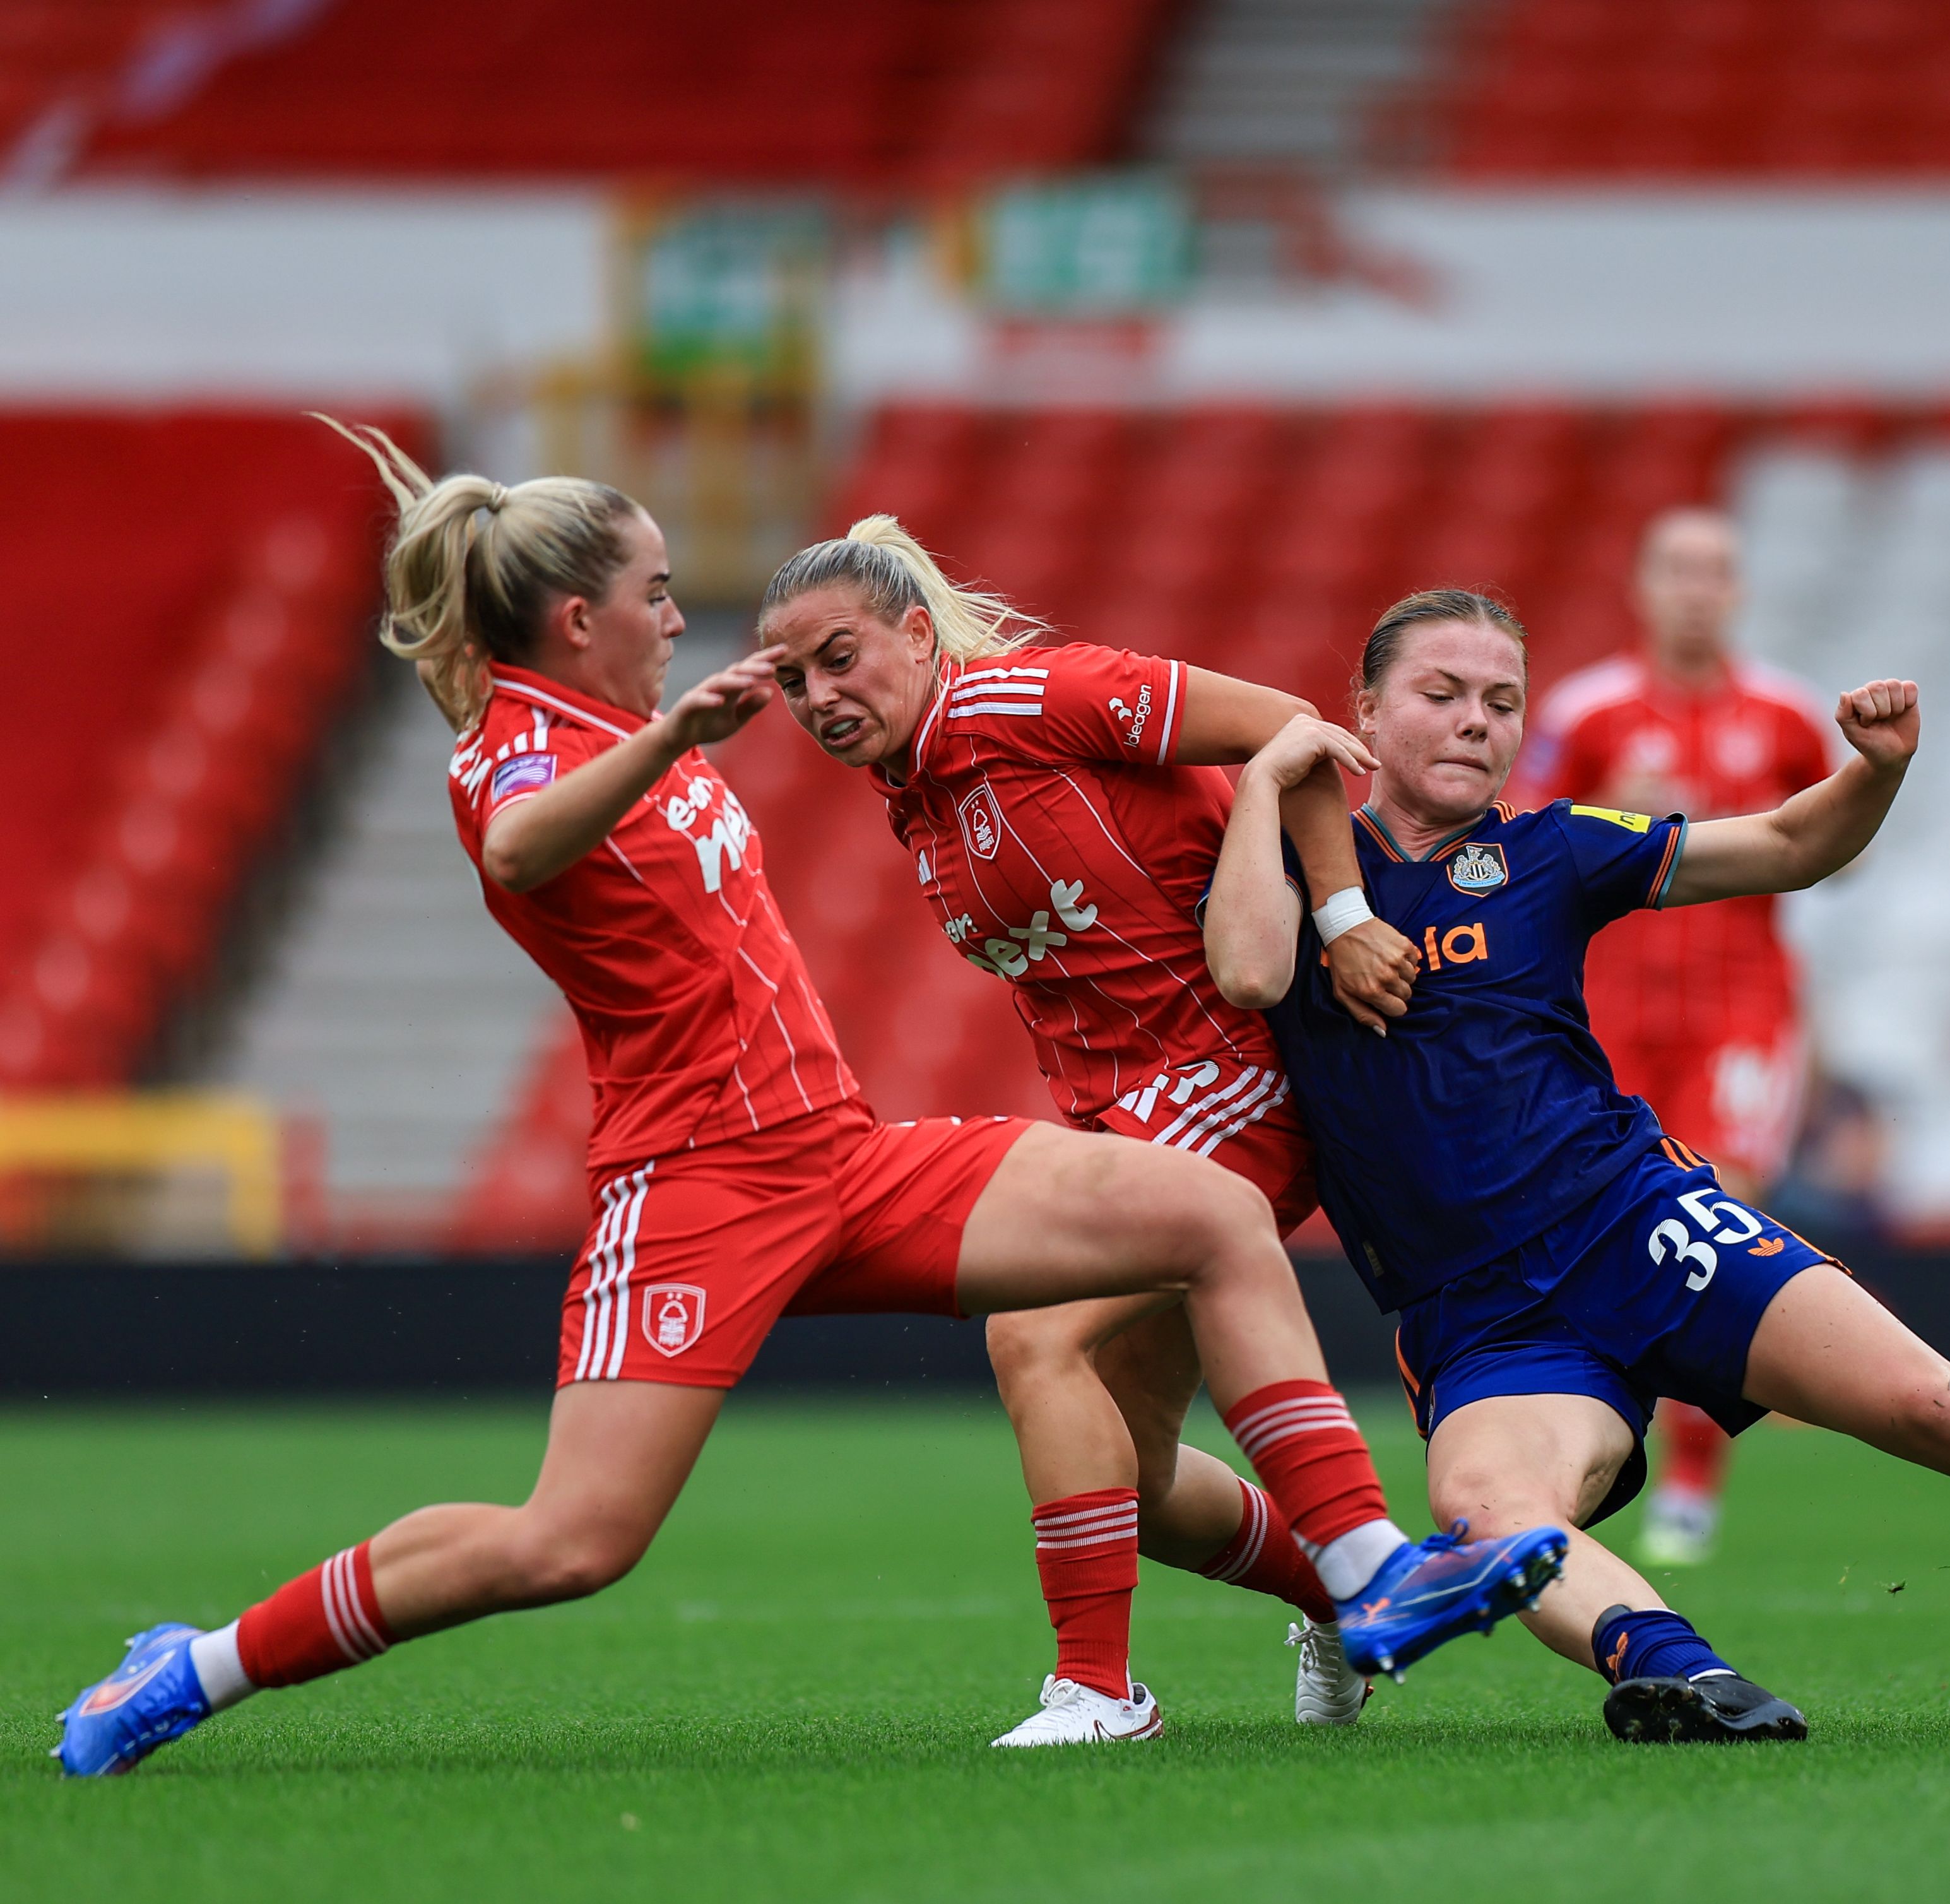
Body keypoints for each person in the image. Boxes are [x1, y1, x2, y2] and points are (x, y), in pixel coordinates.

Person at [50, 437, 1564, 1777]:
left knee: (1212, 1216)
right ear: (579, 621)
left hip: (837, 1157)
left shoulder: (897, 730)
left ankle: (1364, 1572)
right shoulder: (523, 739)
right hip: (694, 1187)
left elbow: (1244, 739)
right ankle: (194, 1666)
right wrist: (667, 741)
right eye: (654, 589)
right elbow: (516, 852)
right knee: (569, 1543)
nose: (675, 615)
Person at [1202, 587, 1950, 1742]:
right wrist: (1283, 811)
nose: (1477, 719)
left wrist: (1875, 772)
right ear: (1361, 711)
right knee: (1487, 1516)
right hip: (1484, 1315)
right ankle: (1691, 1681)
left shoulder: (1554, 851)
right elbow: (1250, 971)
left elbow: (1784, 842)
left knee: (1938, 1403)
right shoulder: (1296, 866)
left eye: (1502, 701)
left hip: (1640, 1222)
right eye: (1442, 693)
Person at [757, 517, 1427, 1741]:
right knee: (1139, 1475)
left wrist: (1337, 914)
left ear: (917, 634)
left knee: (1031, 1338)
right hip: (1114, 1115)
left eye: (839, 658)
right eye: (793, 677)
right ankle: (1342, 1603)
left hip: (1230, 1084)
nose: (817, 695)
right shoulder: (911, 793)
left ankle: (1100, 1688)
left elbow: (1288, 727)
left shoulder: (1034, 696)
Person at [1515, 507, 1833, 1568]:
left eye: (1717, 573)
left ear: (1737, 591)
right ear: (1642, 587)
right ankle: (1617, 1440)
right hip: (1609, 1010)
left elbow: (1835, 839)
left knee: (1722, 1210)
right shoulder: (1587, 710)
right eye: (1679, 572)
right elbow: (1513, 832)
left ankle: (1696, 1479)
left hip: (1741, 1007)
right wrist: (1607, 806)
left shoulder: (1786, 716)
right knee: (1614, 1226)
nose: (1698, 591)